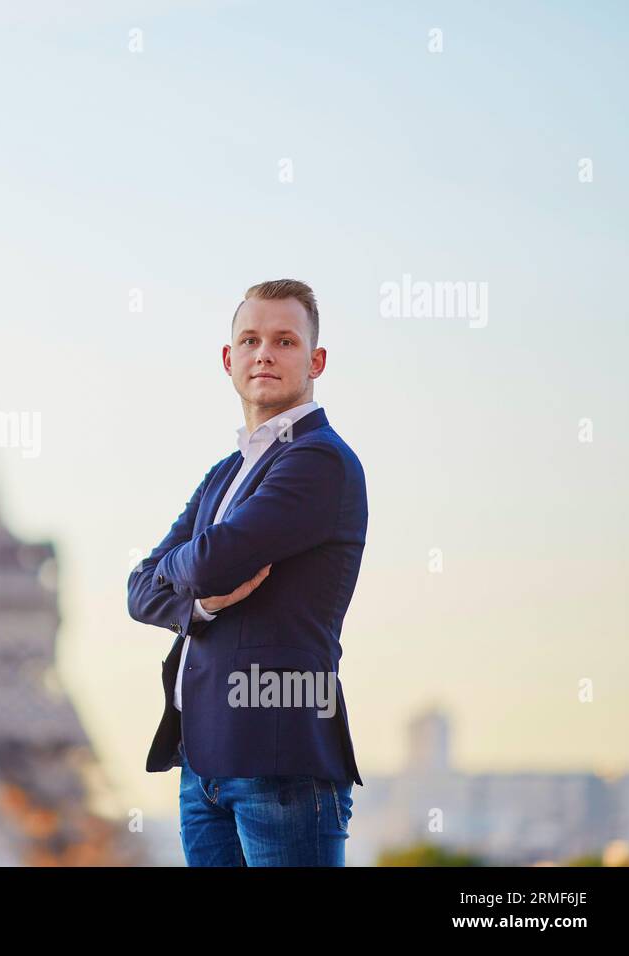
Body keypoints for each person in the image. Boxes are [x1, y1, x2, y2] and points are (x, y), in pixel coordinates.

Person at [127, 279, 367, 866]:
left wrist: (186, 568)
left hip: (278, 759)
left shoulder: (319, 461)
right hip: (205, 762)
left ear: (316, 361)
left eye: (285, 340)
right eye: (252, 339)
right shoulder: (226, 472)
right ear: (229, 359)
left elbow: (210, 560)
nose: (266, 352)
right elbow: (139, 589)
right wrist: (202, 603)